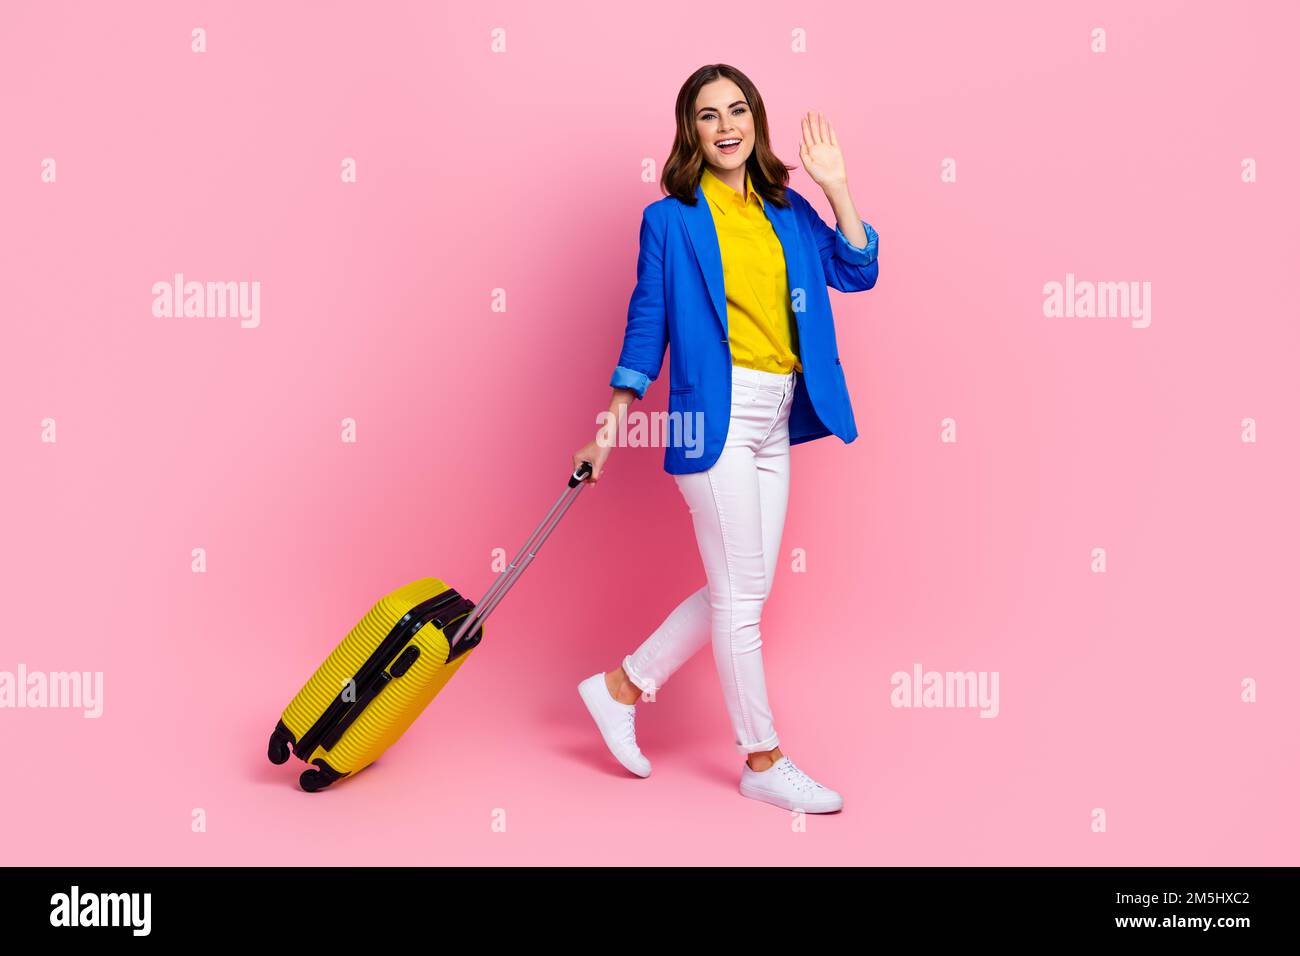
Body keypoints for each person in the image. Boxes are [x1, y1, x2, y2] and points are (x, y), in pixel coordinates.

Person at [573, 64, 880, 813]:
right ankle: (763, 758)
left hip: (777, 417)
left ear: (755, 120)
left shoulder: (789, 208)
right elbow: (648, 325)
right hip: (712, 418)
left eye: (736, 110)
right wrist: (607, 429)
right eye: (708, 116)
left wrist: (837, 187)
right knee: (741, 598)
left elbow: (857, 270)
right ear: (691, 131)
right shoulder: (671, 219)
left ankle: (619, 688)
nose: (725, 126)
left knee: (740, 590)